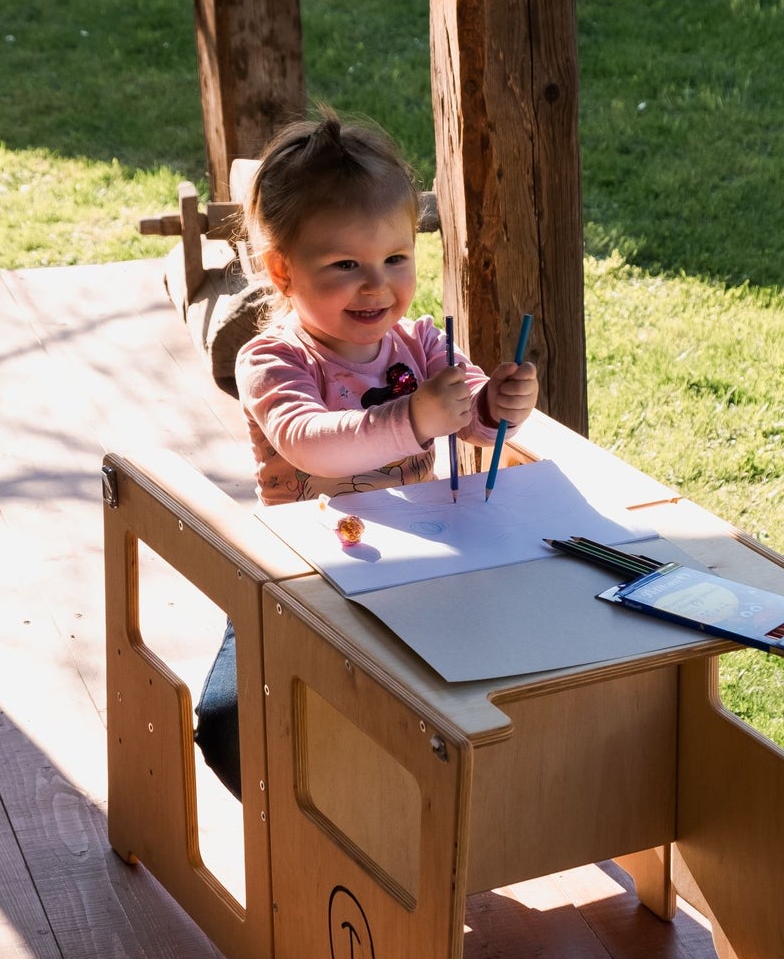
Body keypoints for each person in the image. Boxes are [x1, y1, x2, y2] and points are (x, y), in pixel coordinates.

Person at [193, 110, 539, 794]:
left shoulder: (423, 343)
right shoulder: (270, 359)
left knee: (471, 695)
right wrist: (412, 417)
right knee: (231, 725)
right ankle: (309, 812)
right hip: (300, 577)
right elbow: (310, 444)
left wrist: (497, 406)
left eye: (395, 259)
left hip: (421, 566)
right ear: (282, 269)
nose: (377, 285)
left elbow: (473, 415)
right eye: (345, 265)